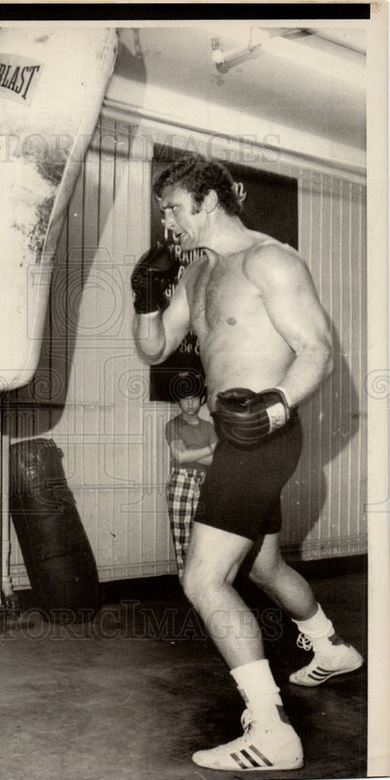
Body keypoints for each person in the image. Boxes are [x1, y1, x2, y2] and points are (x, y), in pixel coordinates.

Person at [131, 154, 363, 771]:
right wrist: (147, 299)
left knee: (203, 579)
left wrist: (277, 409)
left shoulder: (270, 260)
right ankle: (330, 645)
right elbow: (153, 349)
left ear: (208, 202)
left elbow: (319, 350)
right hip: (230, 434)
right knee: (261, 564)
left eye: (174, 208)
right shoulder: (197, 275)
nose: (167, 222)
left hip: (263, 434)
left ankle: (271, 729)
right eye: (162, 211)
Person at [164, 374, 217, 579]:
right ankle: (187, 585)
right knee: (183, 538)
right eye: (184, 399)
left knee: (205, 536)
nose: (189, 403)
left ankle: (205, 584)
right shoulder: (173, 425)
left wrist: (192, 452)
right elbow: (179, 456)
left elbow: (216, 460)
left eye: (194, 398)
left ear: (201, 399)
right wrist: (207, 449)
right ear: (178, 401)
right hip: (181, 482)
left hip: (205, 483)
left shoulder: (209, 427)